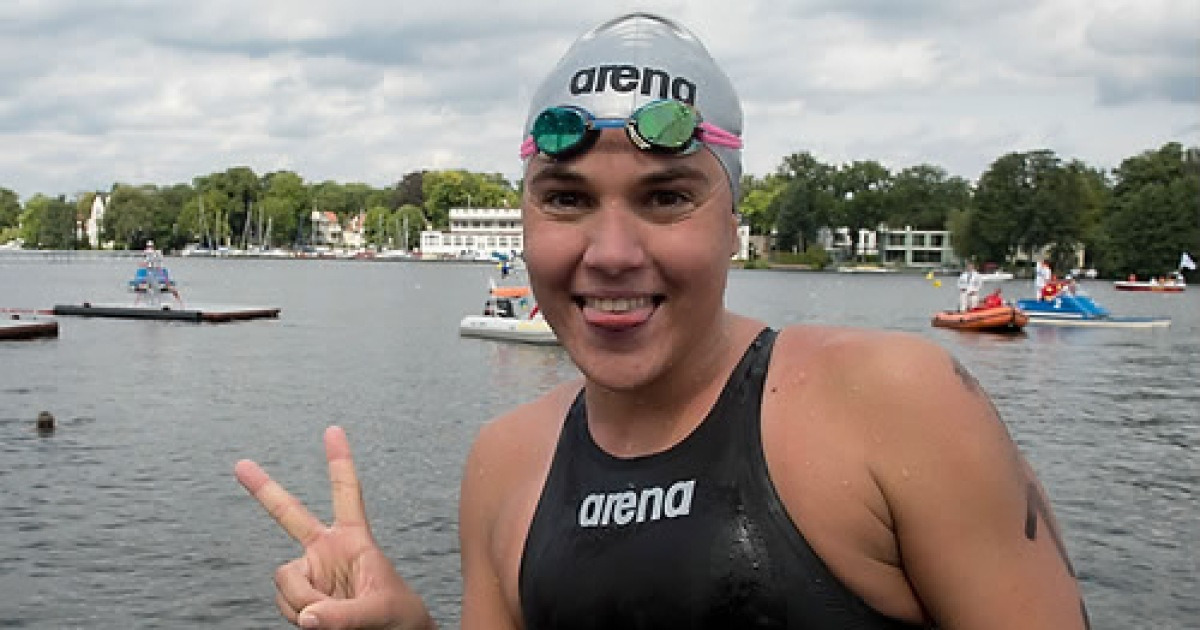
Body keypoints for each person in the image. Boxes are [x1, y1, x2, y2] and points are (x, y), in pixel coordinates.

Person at [235, 13, 1089, 630]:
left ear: (732, 224)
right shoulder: (505, 464)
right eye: (567, 199)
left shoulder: (896, 402)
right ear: (527, 218)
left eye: (667, 197)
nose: (611, 251)